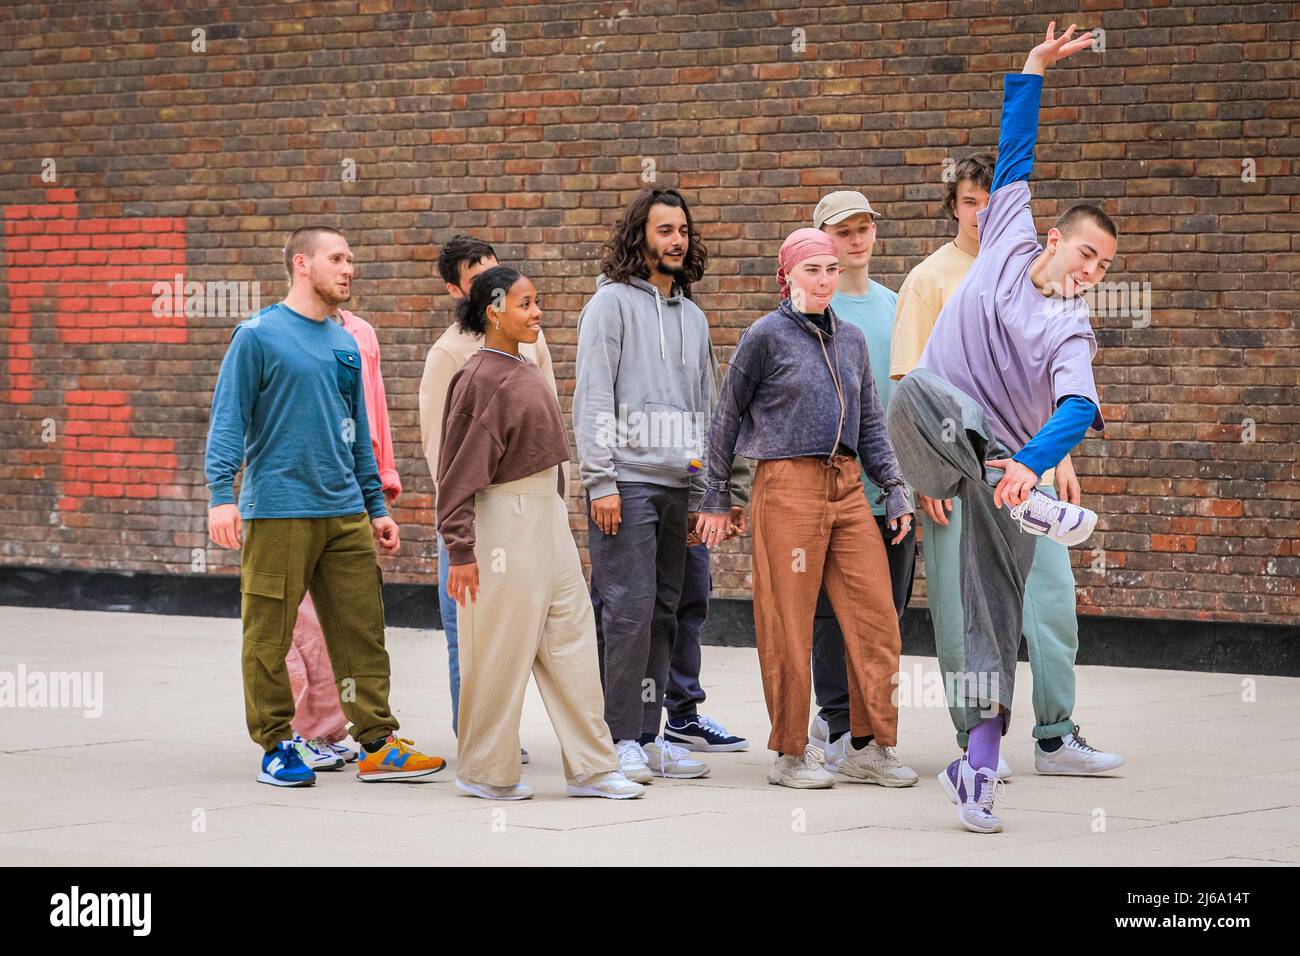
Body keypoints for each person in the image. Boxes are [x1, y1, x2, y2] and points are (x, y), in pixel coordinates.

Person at [886, 23, 1116, 832]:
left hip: (1011, 484)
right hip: (955, 441)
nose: (1089, 273)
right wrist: (1031, 68)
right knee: (910, 394)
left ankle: (975, 769)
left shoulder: (1072, 330)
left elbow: (1079, 409)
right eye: (1085, 254)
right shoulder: (1011, 229)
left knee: (992, 621)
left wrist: (1030, 466)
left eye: (1102, 270)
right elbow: (1014, 145)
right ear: (1054, 238)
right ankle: (997, 475)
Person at [205, 226, 445, 787]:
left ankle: (378, 743)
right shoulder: (257, 335)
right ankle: (275, 745)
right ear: (301, 264)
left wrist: (375, 507)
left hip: (344, 512)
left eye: (351, 260)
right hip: (278, 509)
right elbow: (229, 420)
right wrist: (222, 496)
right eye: (336, 259)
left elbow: (358, 436)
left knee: (362, 630)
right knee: (269, 632)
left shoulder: (344, 343)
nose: (348, 269)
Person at [697, 228, 918, 790]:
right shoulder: (764, 337)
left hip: (846, 487)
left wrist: (893, 484)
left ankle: (870, 746)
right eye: (812, 270)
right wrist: (718, 496)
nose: (824, 280)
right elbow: (725, 418)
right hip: (786, 485)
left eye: (830, 270)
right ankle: (790, 754)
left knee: (876, 617)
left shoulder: (850, 340)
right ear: (787, 276)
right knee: (788, 623)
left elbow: (870, 419)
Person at [438, 266, 643, 800]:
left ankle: (594, 768)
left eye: (537, 302)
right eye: (526, 305)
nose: (537, 313)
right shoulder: (477, 377)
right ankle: (484, 770)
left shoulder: (524, 365)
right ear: (494, 311)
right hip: (503, 520)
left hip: (547, 519)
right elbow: (456, 474)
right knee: (502, 649)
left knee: (572, 639)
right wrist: (461, 550)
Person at [573, 187, 717, 782]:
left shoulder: (695, 316)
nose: (676, 240)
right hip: (625, 485)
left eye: (682, 230)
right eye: (664, 230)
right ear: (641, 236)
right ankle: (616, 738)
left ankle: (650, 735)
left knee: (665, 610)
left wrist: (707, 488)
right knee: (626, 612)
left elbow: (705, 406)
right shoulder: (609, 307)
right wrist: (600, 480)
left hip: (678, 487)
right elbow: (592, 395)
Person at [420, 234, 556, 764]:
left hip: (529, 511)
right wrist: (462, 526)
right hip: (474, 516)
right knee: (468, 630)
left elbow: (546, 426)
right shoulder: (449, 352)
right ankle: (476, 735)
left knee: (522, 626)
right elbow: (441, 447)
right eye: (480, 282)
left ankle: (502, 728)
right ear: (457, 290)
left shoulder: (532, 342)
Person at [804, 191, 918, 784]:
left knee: (885, 620)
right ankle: (841, 724)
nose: (855, 240)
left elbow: (908, 402)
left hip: (889, 492)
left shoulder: (896, 306)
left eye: (863, 229)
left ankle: (869, 733)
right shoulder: (810, 311)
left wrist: (914, 480)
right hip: (830, 492)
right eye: (842, 231)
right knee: (830, 618)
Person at [285, 306, 401, 772]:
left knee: (353, 621)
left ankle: (344, 729)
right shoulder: (273, 333)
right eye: (335, 260)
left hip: (352, 490)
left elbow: (373, 407)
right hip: (297, 496)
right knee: (302, 626)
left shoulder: (360, 333)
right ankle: (303, 730)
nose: (346, 269)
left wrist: (381, 481)